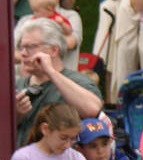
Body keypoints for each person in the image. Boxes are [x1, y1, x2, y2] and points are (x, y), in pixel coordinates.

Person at [14, 16, 104, 145]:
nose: (23, 53)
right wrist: (15, 116)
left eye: (30, 46)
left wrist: (50, 72)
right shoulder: (18, 85)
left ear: (54, 50)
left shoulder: (76, 81)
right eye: (21, 47)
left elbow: (93, 110)